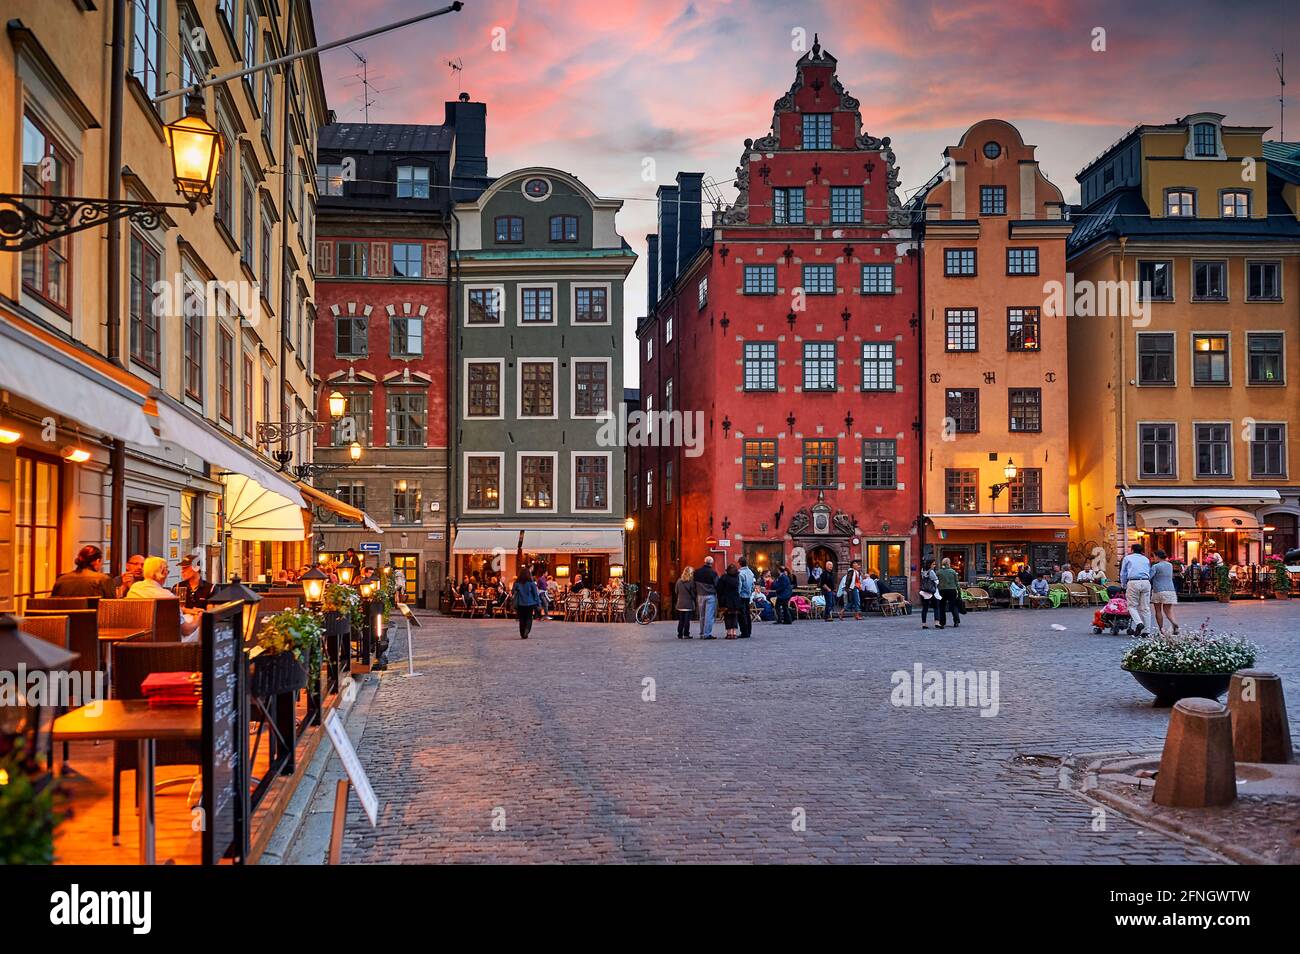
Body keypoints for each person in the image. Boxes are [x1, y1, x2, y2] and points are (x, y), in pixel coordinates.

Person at [127, 556, 201, 641]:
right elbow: (186, 630)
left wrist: (187, 611)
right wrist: (198, 618)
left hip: (137, 638)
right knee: (199, 624)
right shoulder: (167, 597)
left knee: (188, 616)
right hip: (165, 642)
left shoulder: (135, 588)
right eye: (167, 571)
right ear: (162, 572)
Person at [51, 545, 117, 599]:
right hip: (94, 615)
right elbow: (112, 606)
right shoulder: (103, 579)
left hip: (66, 615)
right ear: (97, 561)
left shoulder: (61, 579)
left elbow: (53, 604)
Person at [1120, 542, 1153, 636]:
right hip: (1146, 582)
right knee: (1145, 607)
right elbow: (1149, 571)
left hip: (1133, 582)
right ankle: (1147, 631)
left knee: (1131, 606)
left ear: (1132, 550)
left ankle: (1139, 623)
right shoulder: (1146, 559)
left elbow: (1123, 573)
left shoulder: (1127, 558)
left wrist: (1123, 585)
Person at [1150, 549, 1180, 635]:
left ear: (1157, 556)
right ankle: (1174, 623)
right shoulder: (1170, 565)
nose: (1153, 558)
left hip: (1158, 590)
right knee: (1168, 610)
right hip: (1170, 590)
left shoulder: (1155, 566)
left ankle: (1161, 629)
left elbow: (1150, 577)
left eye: (1154, 556)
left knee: (1158, 611)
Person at [511, 566, 541, 639]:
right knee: (529, 618)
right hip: (530, 603)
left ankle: (522, 633)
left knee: (521, 619)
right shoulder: (531, 583)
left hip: (520, 603)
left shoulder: (517, 583)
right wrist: (538, 603)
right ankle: (527, 630)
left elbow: (512, 592)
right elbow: (535, 594)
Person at [693, 557, 719, 639]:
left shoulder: (697, 572)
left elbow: (693, 583)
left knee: (702, 615)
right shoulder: (713, 573)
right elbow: (717, 584)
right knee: (709, 615)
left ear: (704, 562)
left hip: (700, 595)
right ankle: (707, 633)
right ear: (712, 563)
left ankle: (701, 632)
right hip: (710, 595)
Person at [716, 563, 742, 639]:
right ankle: (734, 632)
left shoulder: (724, 577)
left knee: (727, 616)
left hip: (726, 599)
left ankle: (729, 632)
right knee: (734, 616)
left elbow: (719, 589)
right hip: (735, 599)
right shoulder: (737, 577)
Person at [935, 557, 961, 629]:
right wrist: (959, 591)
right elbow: (957, 583)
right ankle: (956, 621)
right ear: (949, 563)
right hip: (952, 590)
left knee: (942, 607)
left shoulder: (939, 572)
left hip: (942, 590)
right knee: (953, 606)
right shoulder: (953, 571)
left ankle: (942, 623)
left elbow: (936, 582)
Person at [674, 566, 696, 639]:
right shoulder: (691, 582)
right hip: (688, 603)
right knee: (687, 620)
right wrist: (694, 598)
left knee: (681, 620)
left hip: (680, 603)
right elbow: (693, 593)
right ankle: (686, 634)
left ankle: (679, 634)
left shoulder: (678, 581)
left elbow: (676, 591)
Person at [918, 558, 940, 629]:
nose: (934, 565)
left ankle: (923, 624)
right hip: (930, 592)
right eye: (933, 564)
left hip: (923, 592)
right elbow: (936, 581)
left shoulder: (923, 571)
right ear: (930, 565)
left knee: (925, 608)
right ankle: (937, 622)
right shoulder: (931, 572)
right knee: (936, 607)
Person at [736, 557, 755, 638]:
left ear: (739, 563)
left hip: (741, 596)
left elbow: (739, 586)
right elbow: (753, 585)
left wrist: (737, 594)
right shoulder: (750, 572)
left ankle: (744, 632)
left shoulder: (740, 573)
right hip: (748, 596)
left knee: (741, 615)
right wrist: (750, 593)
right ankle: (749, 631)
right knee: (747, 613)